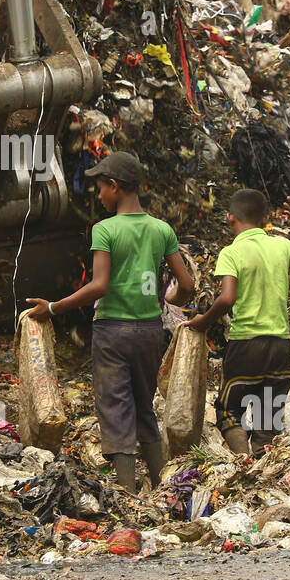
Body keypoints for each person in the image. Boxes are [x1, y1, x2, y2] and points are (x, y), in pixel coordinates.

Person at [27, 151, 194, 494]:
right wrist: (170, 302)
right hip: (149, 332)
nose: (99, 196)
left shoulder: (105, 230)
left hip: (113, 332)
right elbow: (187, 286)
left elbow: (99, 285)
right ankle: (164, 486)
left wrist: (54, 308)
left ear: (115, 187)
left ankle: (129, 492)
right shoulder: (162, 230)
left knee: (116, 407)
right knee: (144, 406)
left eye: (101, 189)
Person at [185, 189, 290, 456]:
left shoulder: (232, 252)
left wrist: (203, 321)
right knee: (267, 420)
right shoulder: (282, 245)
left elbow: (227, 298)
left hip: (246, 345)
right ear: (267, 219)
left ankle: (243, 463)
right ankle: (260, 466)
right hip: (280, 347)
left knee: (229, 411)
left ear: (230, 218)